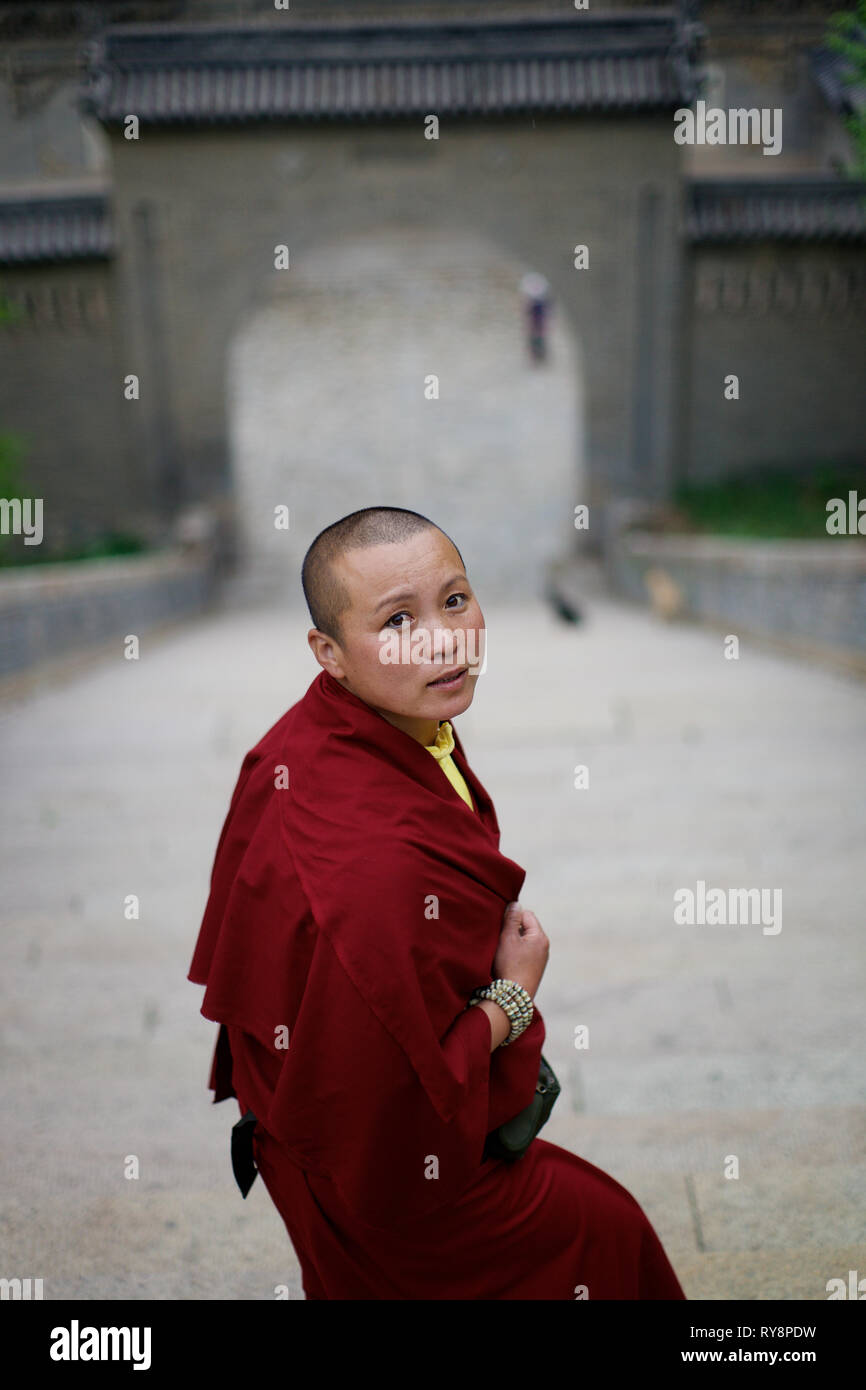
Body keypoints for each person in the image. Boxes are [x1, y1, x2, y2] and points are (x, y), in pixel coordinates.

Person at [188, 506, 686, 1300]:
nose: (443, 639)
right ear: (330, 654)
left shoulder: (357, 724)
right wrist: (512, 998)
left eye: (455, 600)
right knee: (605, 1233)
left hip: (305, 1133)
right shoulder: (374, 871)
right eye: (396, 620)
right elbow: (382, 1093)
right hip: (380, 1181)